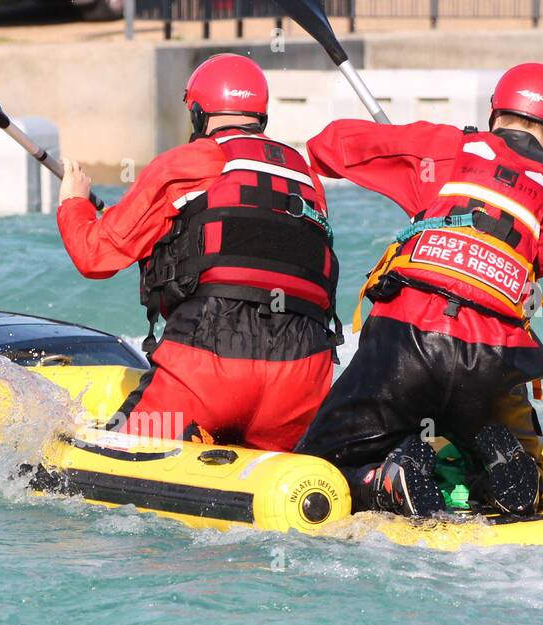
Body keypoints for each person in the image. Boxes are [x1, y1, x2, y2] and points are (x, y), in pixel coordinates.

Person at [294, 63, 543, 517]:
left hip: (405, 345)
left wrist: (409, 173)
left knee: (321, 462)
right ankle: (503, 471)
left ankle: (384, 478)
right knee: (499, 438)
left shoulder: (446, 149)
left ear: (494, 114)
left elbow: (329, 147)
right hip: (492, 362)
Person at [56, 54, 340, 452]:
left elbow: (94, 255)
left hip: (209, 361)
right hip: (304, 373)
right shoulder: (306, 178)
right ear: (261, 117)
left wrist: (74, 203)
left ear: (197, 112)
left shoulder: (191, 160)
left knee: (109, 454)